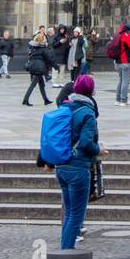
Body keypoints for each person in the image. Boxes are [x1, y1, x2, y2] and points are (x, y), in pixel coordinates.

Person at [49, 74, 105, 249]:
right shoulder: (87, 112)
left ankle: (64, 250)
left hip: (62, 166)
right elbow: (87, 142)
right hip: (78, 167)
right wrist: (100, 150)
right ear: (91, 90)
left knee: (69, 213)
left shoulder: (66, 107)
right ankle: (65, 254)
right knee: (76, 215)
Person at [22, 31, 55, 105]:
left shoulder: (35, 47)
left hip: (37, 68)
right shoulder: (40, 48)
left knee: (41, 85)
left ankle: (45, 100)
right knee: (33, 85)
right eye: (44, 39)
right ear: (41, 40)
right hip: (38, 69)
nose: (45, 40)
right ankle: (25, 100)